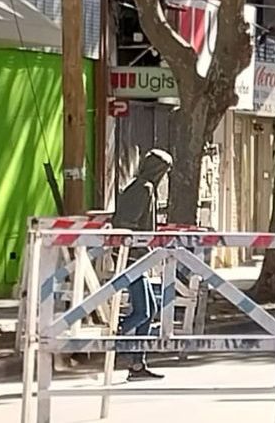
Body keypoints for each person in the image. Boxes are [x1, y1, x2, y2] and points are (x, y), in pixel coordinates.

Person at [112, 149, 171, 381]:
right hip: (133, 257)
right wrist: (141, 245)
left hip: (140, 257)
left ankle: (138, 364)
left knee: (150, 311)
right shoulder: (142, 189)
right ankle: (116, 333)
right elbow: (127, 223)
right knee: (144, 311)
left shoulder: (147, 189)